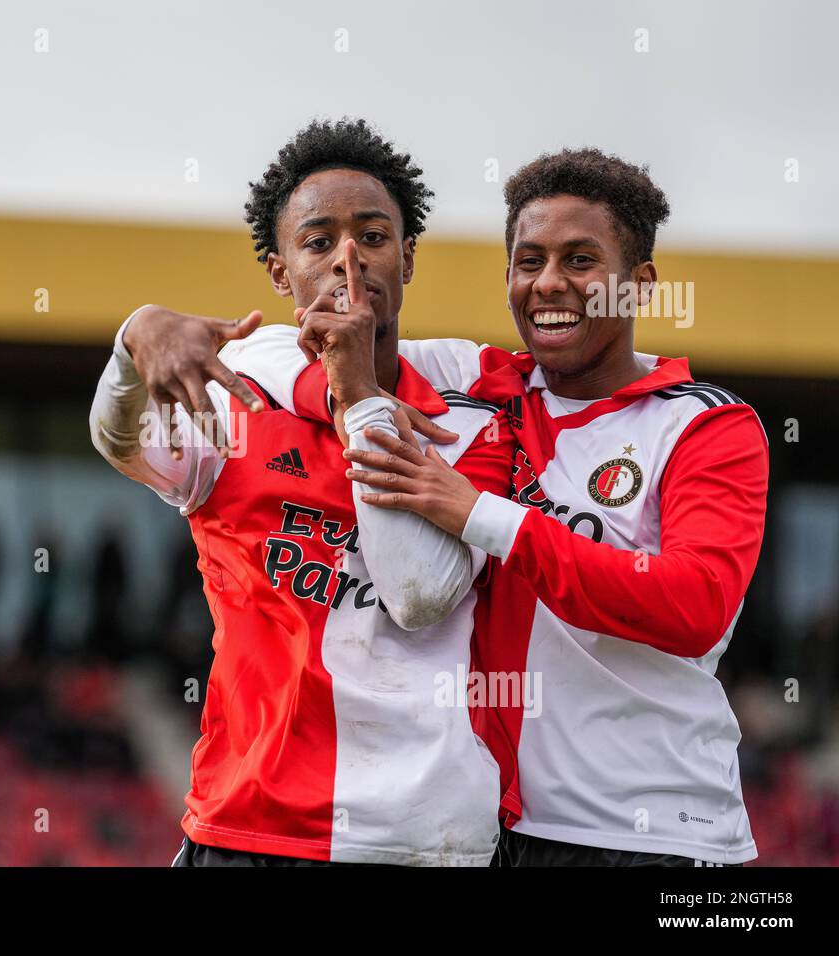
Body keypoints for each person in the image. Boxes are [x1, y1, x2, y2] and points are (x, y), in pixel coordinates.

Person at [230, 148, 767, 866]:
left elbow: (693, 606)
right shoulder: (484, 387)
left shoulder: (705, 424)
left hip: (660, 834)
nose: (549, 283)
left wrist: (481, 513)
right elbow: (310, 338)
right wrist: (148, 332)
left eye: (580, 261)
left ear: (637, 286)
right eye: (528, 260)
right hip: (503, 837)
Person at [90, 118, 521, 866]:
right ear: (280, 272)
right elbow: (118, 441)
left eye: (374, 235)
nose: (348, 257)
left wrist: (356, 394)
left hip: (424, 840)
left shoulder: (473, 415)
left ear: (408, 258)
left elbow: (419, 598)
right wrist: (137, 335)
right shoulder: (237, 401)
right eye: (318, 241)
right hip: (248, 827)